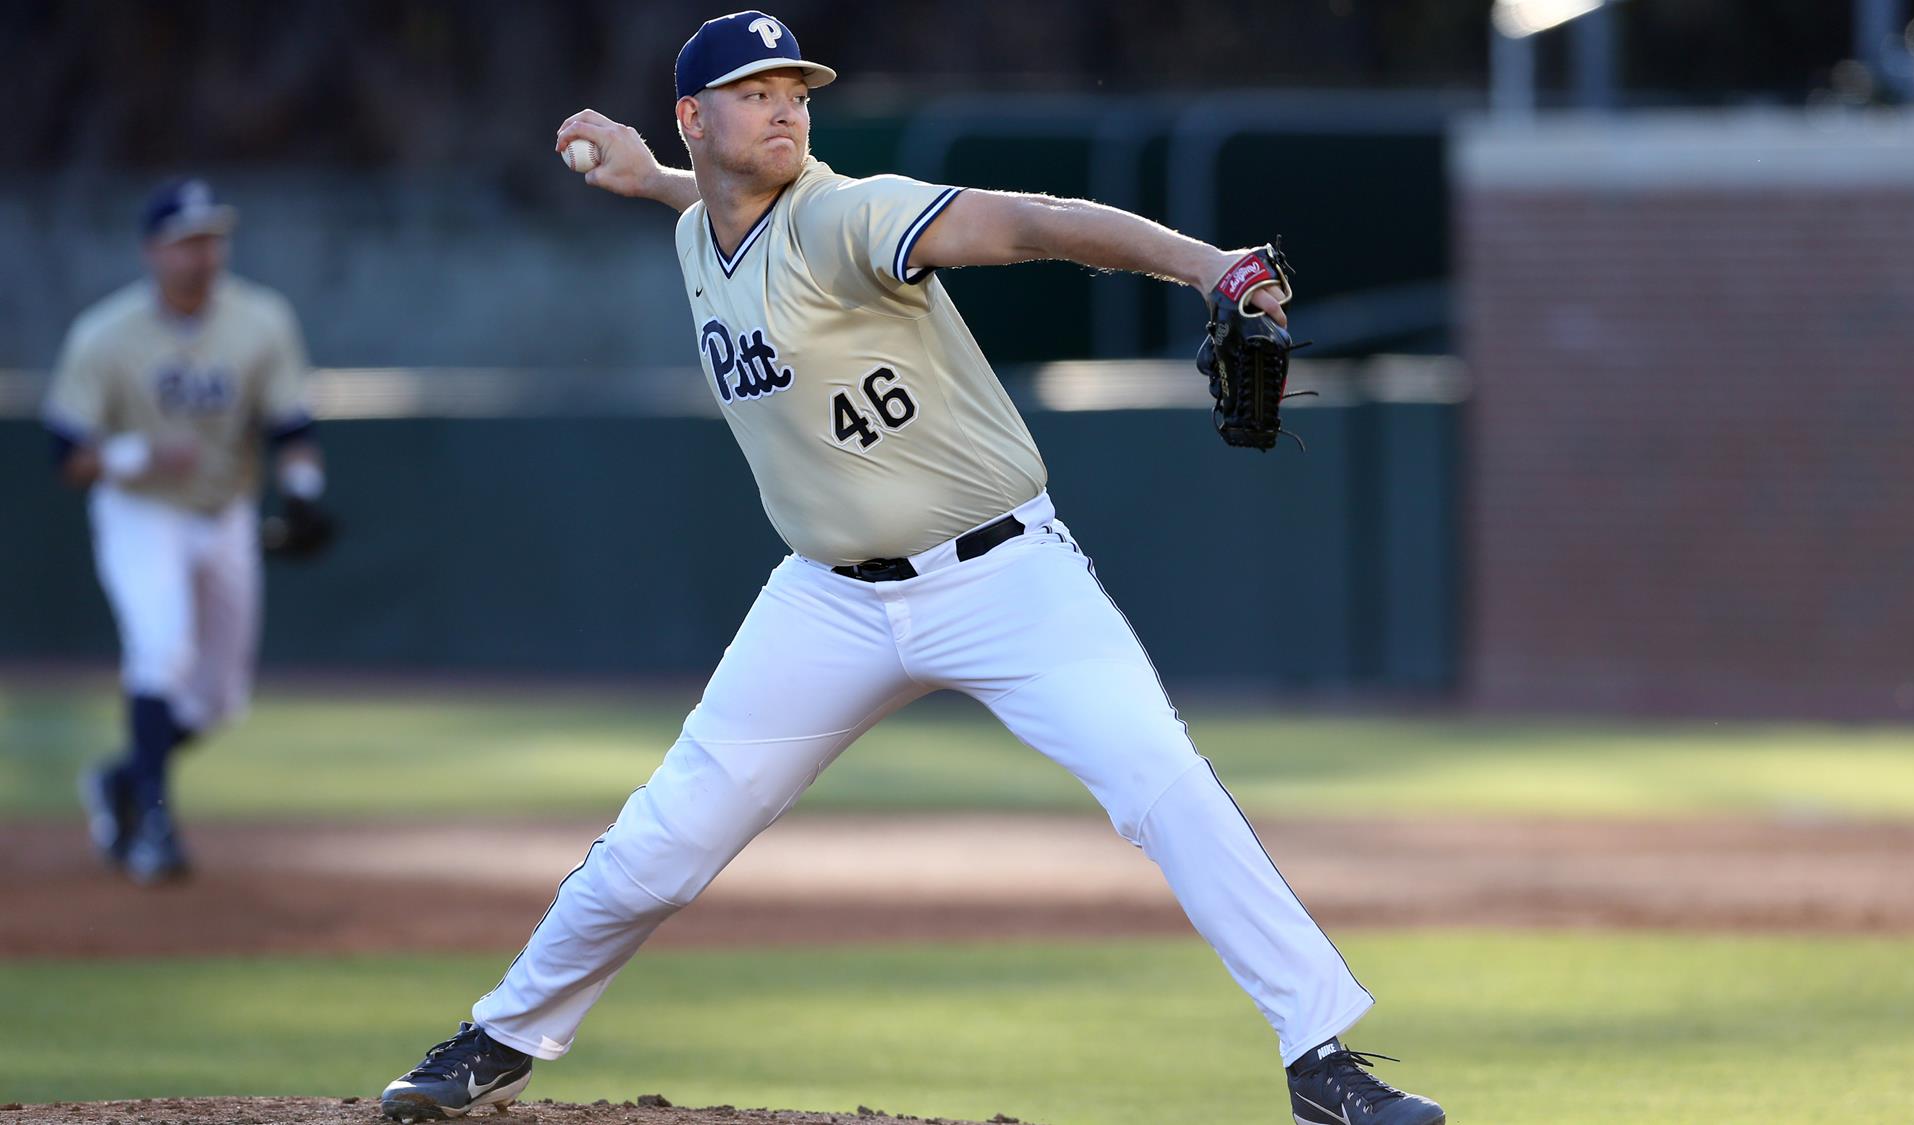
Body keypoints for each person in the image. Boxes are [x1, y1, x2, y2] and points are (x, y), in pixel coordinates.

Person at [380, 12, 1444, 1125]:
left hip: (1001, 574)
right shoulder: (704, 228)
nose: (785, 104)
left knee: (1161, 784)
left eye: (795, 87)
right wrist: (651, 176)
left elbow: (1030, 221)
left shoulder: (848, 213)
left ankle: (1319, 1058)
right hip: (827, 598)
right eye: (753, 91)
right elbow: (710, 207)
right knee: (663, 839)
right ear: (694, 119)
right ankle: (499, 1035)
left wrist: (1202, 265)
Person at [43, 177, 331, 886]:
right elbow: (66, 455)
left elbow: (292, 427)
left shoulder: (259, 319)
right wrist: (139, 453)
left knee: (219, 696)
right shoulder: (106, 336)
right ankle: (155, 828)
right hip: (141, 508)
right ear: (152, 252)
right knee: (160, 652)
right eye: (187, 242)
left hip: (225, 510)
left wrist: (301, 494)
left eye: (212, 239)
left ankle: (121, 779)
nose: (203, 255)